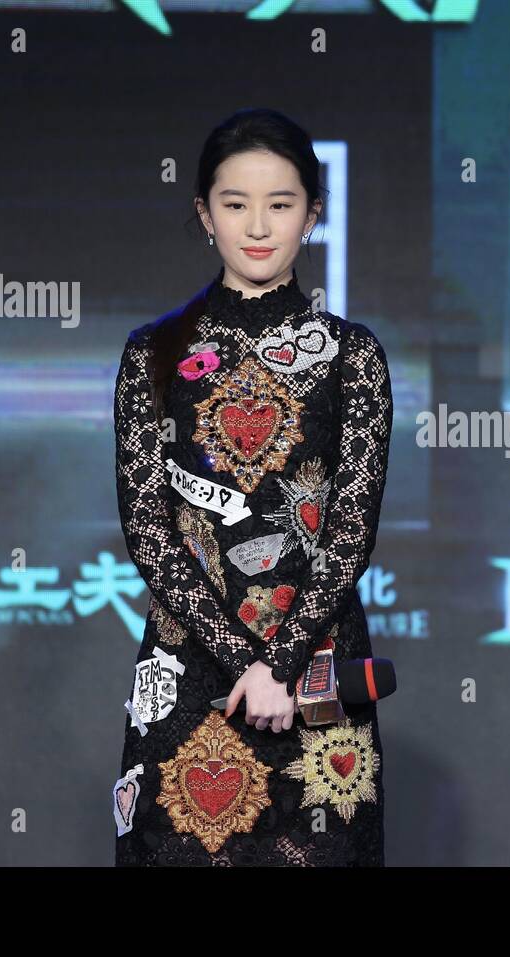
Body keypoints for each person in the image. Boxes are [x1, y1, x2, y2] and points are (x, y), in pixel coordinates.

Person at [111, 108, 393, 866]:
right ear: (204, 214)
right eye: (235, 204)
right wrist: (248, 662)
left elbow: (349, 533)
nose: (258, 225)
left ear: (314, 212)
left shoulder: (352, 356)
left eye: (281, 203)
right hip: (190, 661)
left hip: (318, 662)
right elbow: (149, 531)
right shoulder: (154, 354)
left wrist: (282, 661)